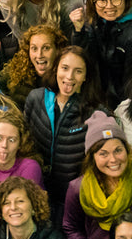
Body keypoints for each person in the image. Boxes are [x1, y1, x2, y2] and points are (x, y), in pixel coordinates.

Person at [23, 46, 100, 213]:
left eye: (78, 71)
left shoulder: (95, 113)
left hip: (72, 200)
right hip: (37, 191)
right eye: (65, 68)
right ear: (56, 68)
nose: (69, 77)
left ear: (86, 76)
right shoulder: (35, 98)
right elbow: (24, 143)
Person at [63, 112, 132, 239]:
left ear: (127, 150)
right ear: (92, 157)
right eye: (103, 154)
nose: (113, 159)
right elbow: (70, 226)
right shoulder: (78, 188)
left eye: (118, 150)